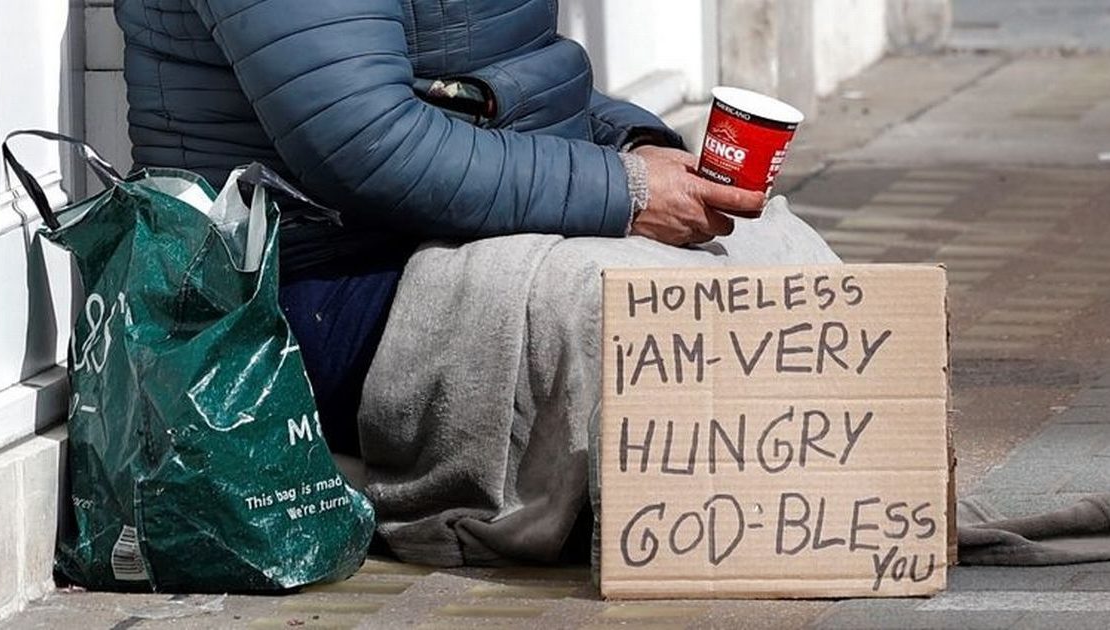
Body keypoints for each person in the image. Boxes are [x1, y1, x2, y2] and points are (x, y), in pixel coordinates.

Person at [114, 0, 836, 564]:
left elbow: (520, 84)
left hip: (440, 230)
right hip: (310, 288)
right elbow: (369, 144)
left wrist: (636, 144)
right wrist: (628, 192)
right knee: (633, 305)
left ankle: (847, 499)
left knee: (771, 251)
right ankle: (713, 518)